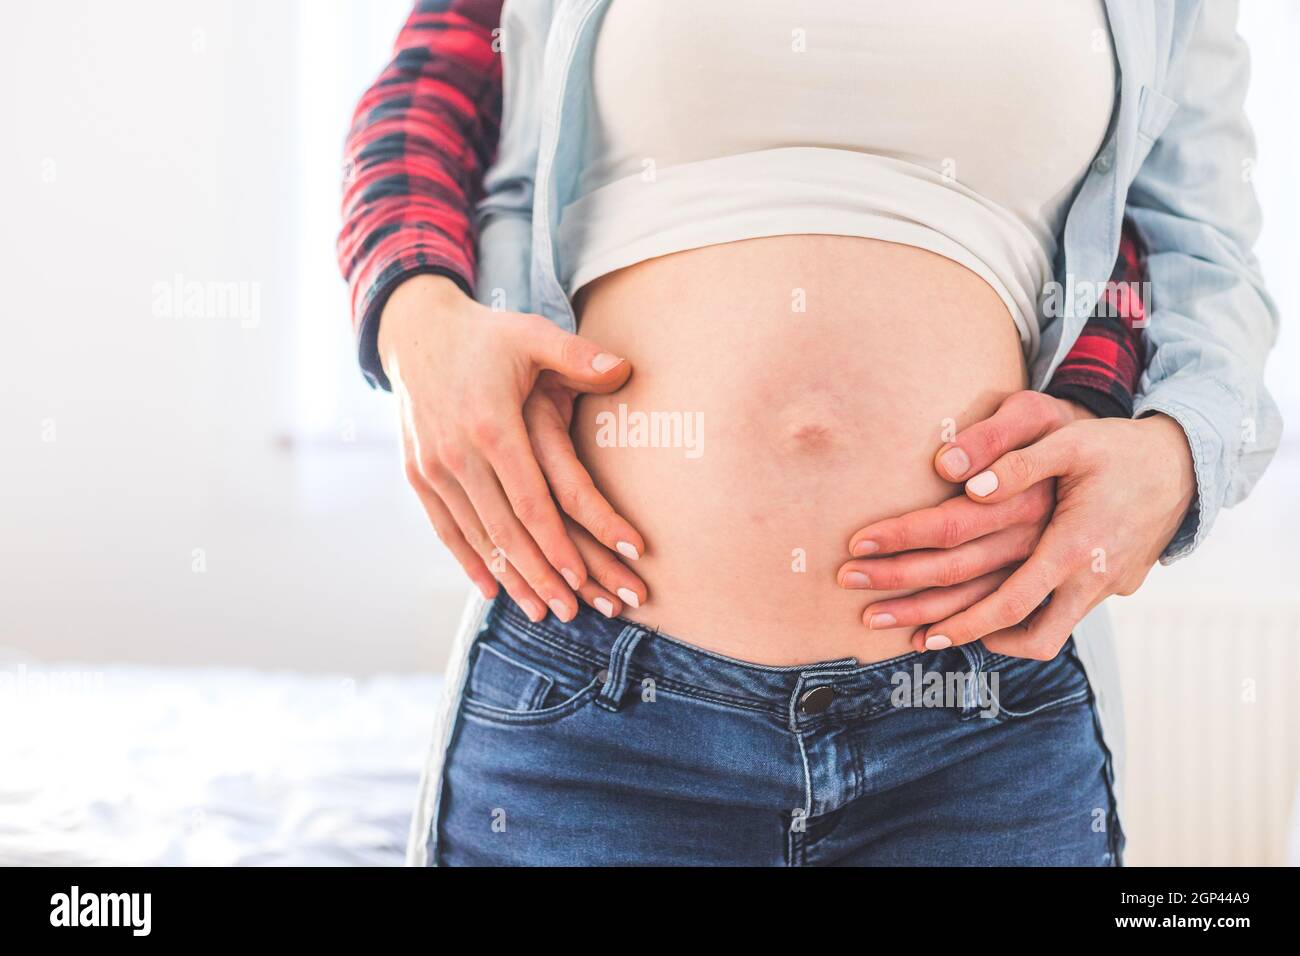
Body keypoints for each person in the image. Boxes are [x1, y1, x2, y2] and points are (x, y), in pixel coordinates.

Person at [339, 0, 1280, 866]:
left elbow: (1200, 251)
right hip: (592, 703)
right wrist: (413, 313)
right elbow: (436, 89)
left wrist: (1174, 455)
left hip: (977, 723)